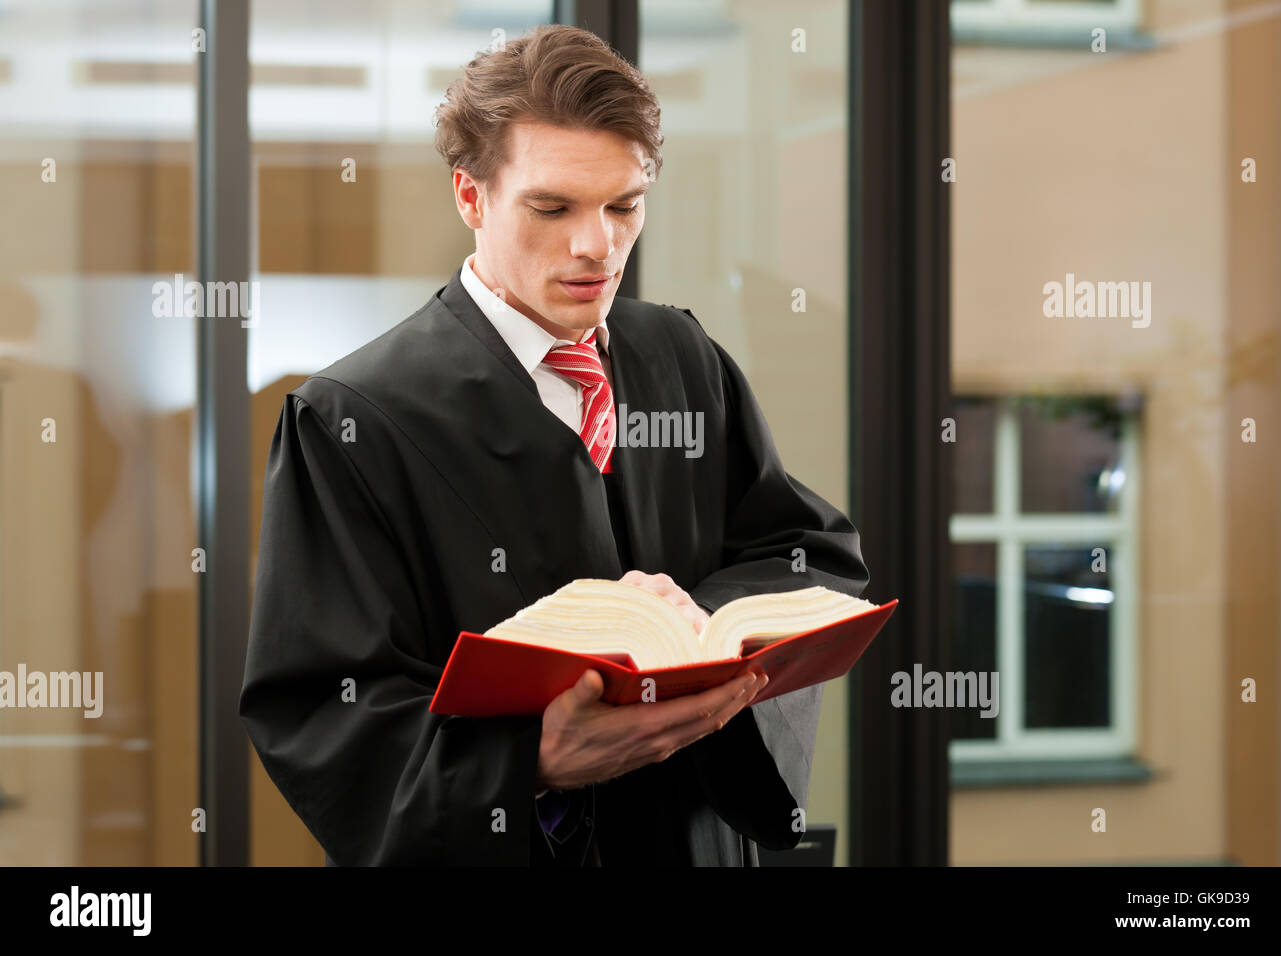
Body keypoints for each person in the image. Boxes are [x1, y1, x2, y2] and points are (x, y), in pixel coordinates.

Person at [238, 23, 870, 866]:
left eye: (624, 205)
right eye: (553, 207)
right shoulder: (353, 420)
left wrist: (696, 628)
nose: (596, 245)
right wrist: (527, 761)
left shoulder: (682, 358)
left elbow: (804, 550)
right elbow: (320, 709)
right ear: (471, 197)